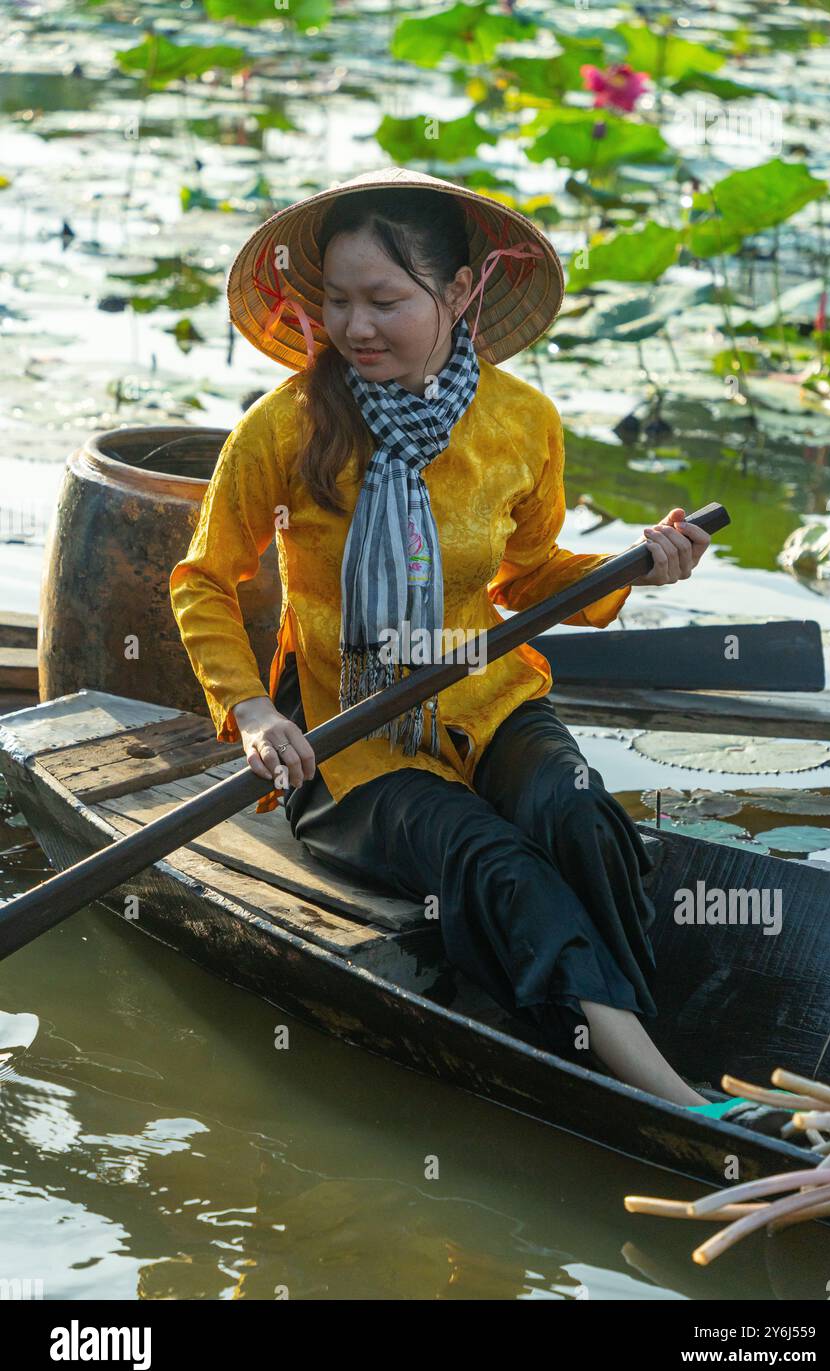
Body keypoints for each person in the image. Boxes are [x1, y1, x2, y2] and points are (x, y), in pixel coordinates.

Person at [170, 166, 731, 1114]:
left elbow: (530, 574)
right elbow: (202, 581)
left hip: (484, 693)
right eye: (339, 301)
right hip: (347, 740)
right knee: (496, 866)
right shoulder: (284, 428)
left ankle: (621, 1024)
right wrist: (256, 710)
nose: (355, 328)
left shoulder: (521, 424)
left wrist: (639, 564)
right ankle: (671, 1100)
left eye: (386, 301)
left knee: (579, 812)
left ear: (461, 293)